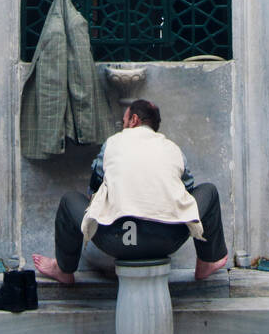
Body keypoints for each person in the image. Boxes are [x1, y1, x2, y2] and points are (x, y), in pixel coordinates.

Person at [32, 98, 228, 287]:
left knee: (70, 200)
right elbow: (188, 190)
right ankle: (205, 262)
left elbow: (95, 188)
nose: (123, 125)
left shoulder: (114, 142)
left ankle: (64, 270)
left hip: (116, 241)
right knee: (208, 191)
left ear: (133, 120)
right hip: (168, 240)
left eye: (124, 121)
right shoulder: (173, 148)